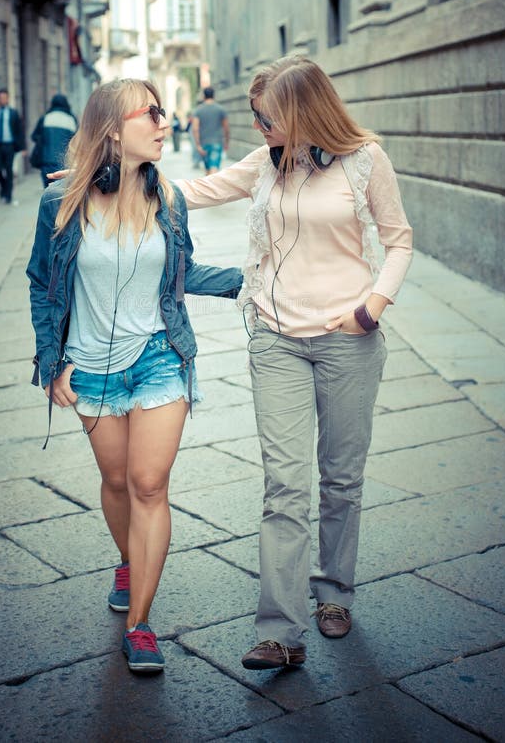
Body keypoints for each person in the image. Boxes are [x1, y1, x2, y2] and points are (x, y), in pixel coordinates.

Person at [176, 56, 413, 670]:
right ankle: (280, 630)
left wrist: (372, 307)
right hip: (276, 339)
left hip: (347, 340)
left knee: (340, 477)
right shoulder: (266, 163)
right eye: (255, 115)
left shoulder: (365, 160)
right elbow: (196, 190)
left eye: (267, 116)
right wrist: (107, 174)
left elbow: (398, 239)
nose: (257, 125)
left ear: (305, 111)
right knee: (284, 486)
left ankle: (333, 593)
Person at [26, 79, 242, 675]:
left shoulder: (166, 199)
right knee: (117, 482)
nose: (165, 121)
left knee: (149, 484)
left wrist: (251, 281)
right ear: (114, 129)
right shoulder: (60, 203)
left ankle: (141, 624)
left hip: (157, 356)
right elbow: (42, 284)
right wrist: (52, 364)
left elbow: (183, 271)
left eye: (164, 111)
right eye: (152, 113)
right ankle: (128, 559)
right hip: (88, 365)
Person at [0, 88, 25, 204]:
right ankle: (4, 187)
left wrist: (22, 148)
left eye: (4, 98)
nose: (2, 100)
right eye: (0, 98)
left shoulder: (13, 112)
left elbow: (19, 130)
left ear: (7, 98)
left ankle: (8, 196)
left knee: (9, 171)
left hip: (10, 145)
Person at [30, 94, 79, 187]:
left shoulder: (46, 117)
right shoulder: (71, 119)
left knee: (48, 190)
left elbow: (34, 136)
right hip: (64, 162)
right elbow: (77, 141)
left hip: (47, 161)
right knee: (62, 192)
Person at [191, 86, 230, 174]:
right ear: (214, 95)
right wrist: (226, 142)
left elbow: (195, 128)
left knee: (208, 170)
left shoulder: (198, 110)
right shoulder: (220, 109)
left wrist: (198, 145)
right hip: (217, 143)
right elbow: (226, 128)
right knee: (213, 169)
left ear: (203, 96)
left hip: (204, 144)